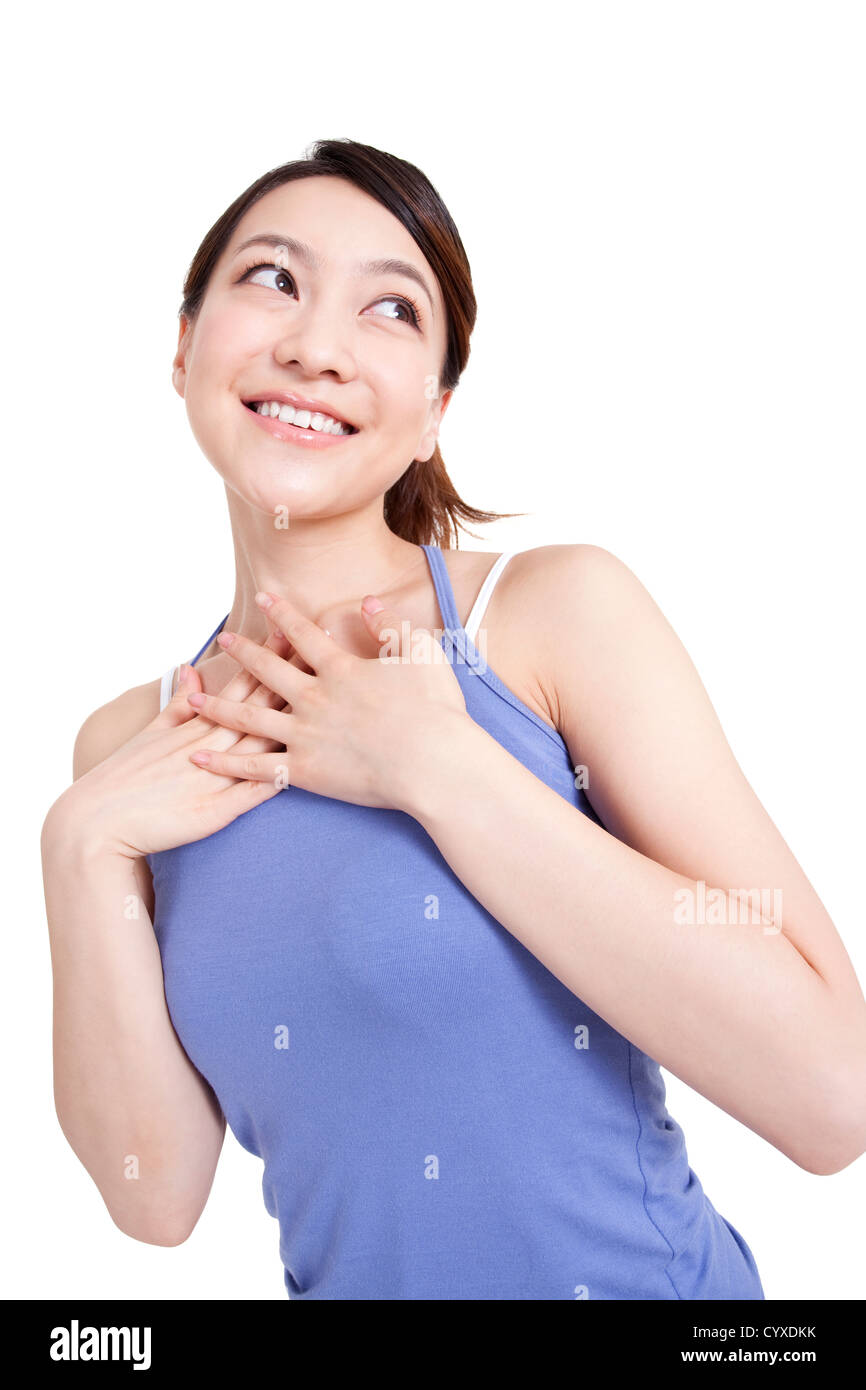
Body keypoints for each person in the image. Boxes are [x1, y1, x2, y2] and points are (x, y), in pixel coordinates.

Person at [41, 138, 866, 1301]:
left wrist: (436, 767)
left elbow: (831, 1096)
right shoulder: (131, 749)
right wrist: (75, 847)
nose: (314, 345)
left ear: (431, 411)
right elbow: (154, 1195)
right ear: (182, 350)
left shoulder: (547, 620)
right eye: (271, 279)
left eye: (388, 308)